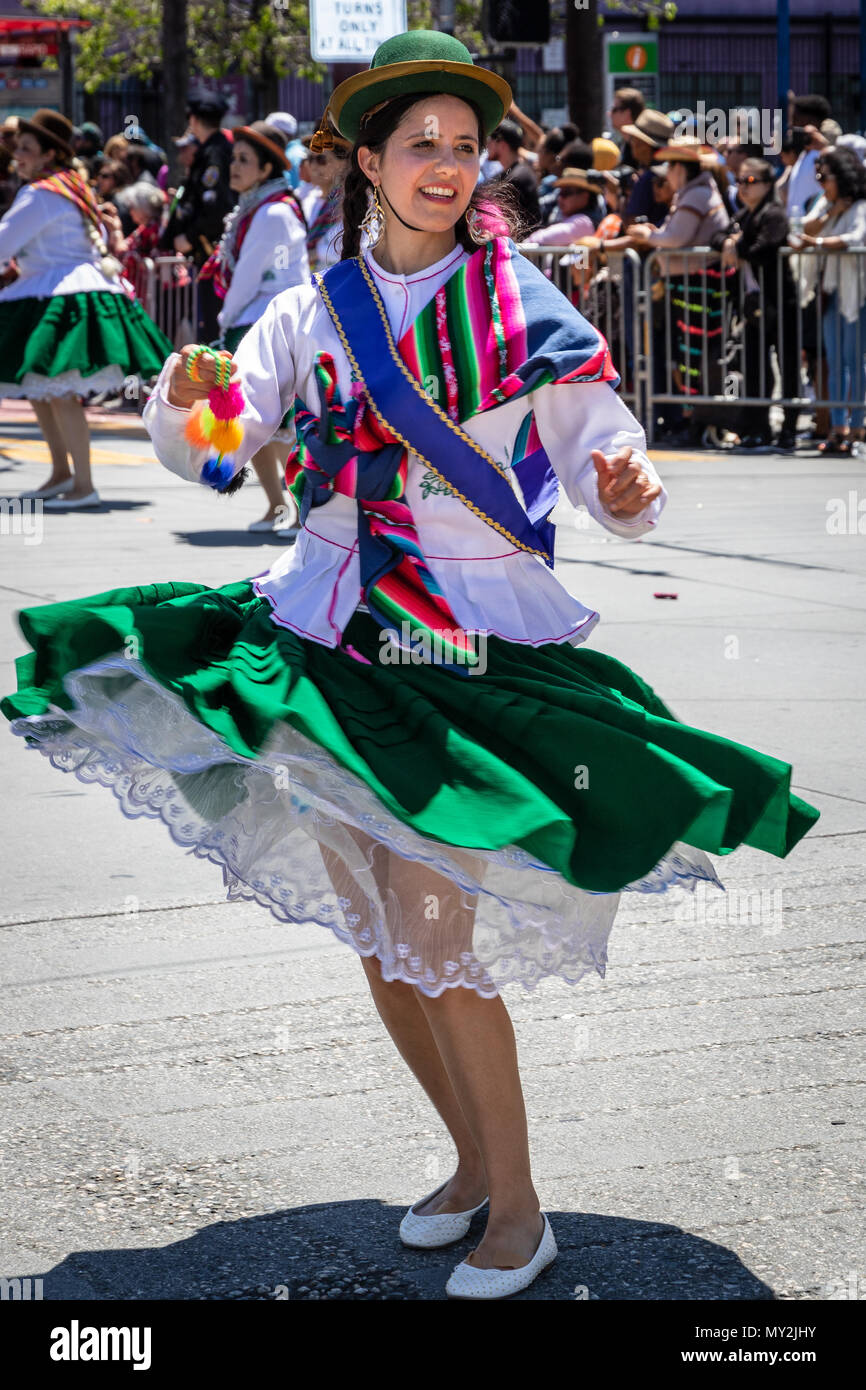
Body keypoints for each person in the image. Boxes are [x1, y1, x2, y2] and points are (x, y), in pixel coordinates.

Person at [1, 32, 818, 1301]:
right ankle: (471, 1165)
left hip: (462, 645)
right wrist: (189, 398)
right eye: (418, 144)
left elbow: (606, 451)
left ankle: (524, 1208)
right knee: (382, 941)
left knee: (434, 931)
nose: (446, 165)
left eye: (463, 145)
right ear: (368, 164)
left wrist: (627, 483)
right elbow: (224, 444)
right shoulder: (308, 309)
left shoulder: (525, 309)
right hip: (325, 638)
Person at [0, 109, 172, 507]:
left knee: (59, 392)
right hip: (56, 289)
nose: (17, 156)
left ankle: (83, 485)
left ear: (48, 155)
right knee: (42, 389)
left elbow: (4, 244)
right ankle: (62, 474)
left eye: (26, 149)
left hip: (59, 295)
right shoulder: (67, 187)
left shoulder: (42, 194)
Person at [200, 120, 309, 532]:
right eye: (234, 158)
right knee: (257, 424)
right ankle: (277, 506)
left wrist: (224, 318)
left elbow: (248, 275)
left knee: (278, 425)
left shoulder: (273, 212)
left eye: (245, 160)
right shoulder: (255, 209)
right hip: (256, 322)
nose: (235, 166)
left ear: (266, 170)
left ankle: (302, 509)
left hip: (267, 325)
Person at [629, 138, 733, 443]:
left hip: (697, 286)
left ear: (679, 168)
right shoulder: (697, 192)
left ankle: (696, 423)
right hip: (694, 283)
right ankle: (696, 422)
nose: (666, 177)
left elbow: (675, 238)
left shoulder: (696, 195)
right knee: (691, 354)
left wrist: (649, 235)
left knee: (693, 355)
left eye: (670, 169)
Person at [712, 158, 800, 451]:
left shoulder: (773, 213)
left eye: (750, 181)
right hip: (752, 306)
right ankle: (757, 428)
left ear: (766, 184)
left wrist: (737, 245)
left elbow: (766, 246)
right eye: (739, 180)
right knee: (755, 366)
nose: (742, 187)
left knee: (787, 367)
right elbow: (716, 236)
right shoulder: (745, 216)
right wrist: (728, 242)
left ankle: (789, 428)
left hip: (779, 302)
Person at [799, 147, 866, 454]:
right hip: (830, 289)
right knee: (835, 360)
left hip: (857, 291)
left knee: (855, 360)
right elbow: (805, 228)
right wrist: (832, 213)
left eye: (824, 176)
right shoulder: (826, 204)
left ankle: (858, 424)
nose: (820, 182)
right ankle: (838, 427)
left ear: (842, 177)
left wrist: (820, 242)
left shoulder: (861, 205)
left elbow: (857, 238)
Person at [172, 86, 237, 339]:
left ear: (194, 120)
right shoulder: (216, 148)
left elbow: (215, 207)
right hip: (210, 254)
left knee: (211, 327)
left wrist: (189, 237)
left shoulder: (214, 153)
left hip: (212, 253)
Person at [303, 123, 351, 270]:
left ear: (343, 163)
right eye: (310, 159)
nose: (313, 166)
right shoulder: (308, 200)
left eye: (321, 160)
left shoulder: (356, 202)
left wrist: (316, 253)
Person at [620, 110, 674, 228]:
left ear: (643, 144)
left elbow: (631, 226)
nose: (631, 142)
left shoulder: (647, 179)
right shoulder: (672, 171)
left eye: (634, 138)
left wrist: (621, 198)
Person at [484, 118, 541, 230]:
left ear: (502, 145)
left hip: (521, 244)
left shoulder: (518, 178)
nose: (487, 144)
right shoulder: (513, 173)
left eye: (490, 139)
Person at [525, 168, 595, 246]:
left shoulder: (583, 222)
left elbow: (547, 237)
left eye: (566, 193)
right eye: (560, 193)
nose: (560, 198)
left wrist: (525, 244)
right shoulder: (567, 217)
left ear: (584, 197)